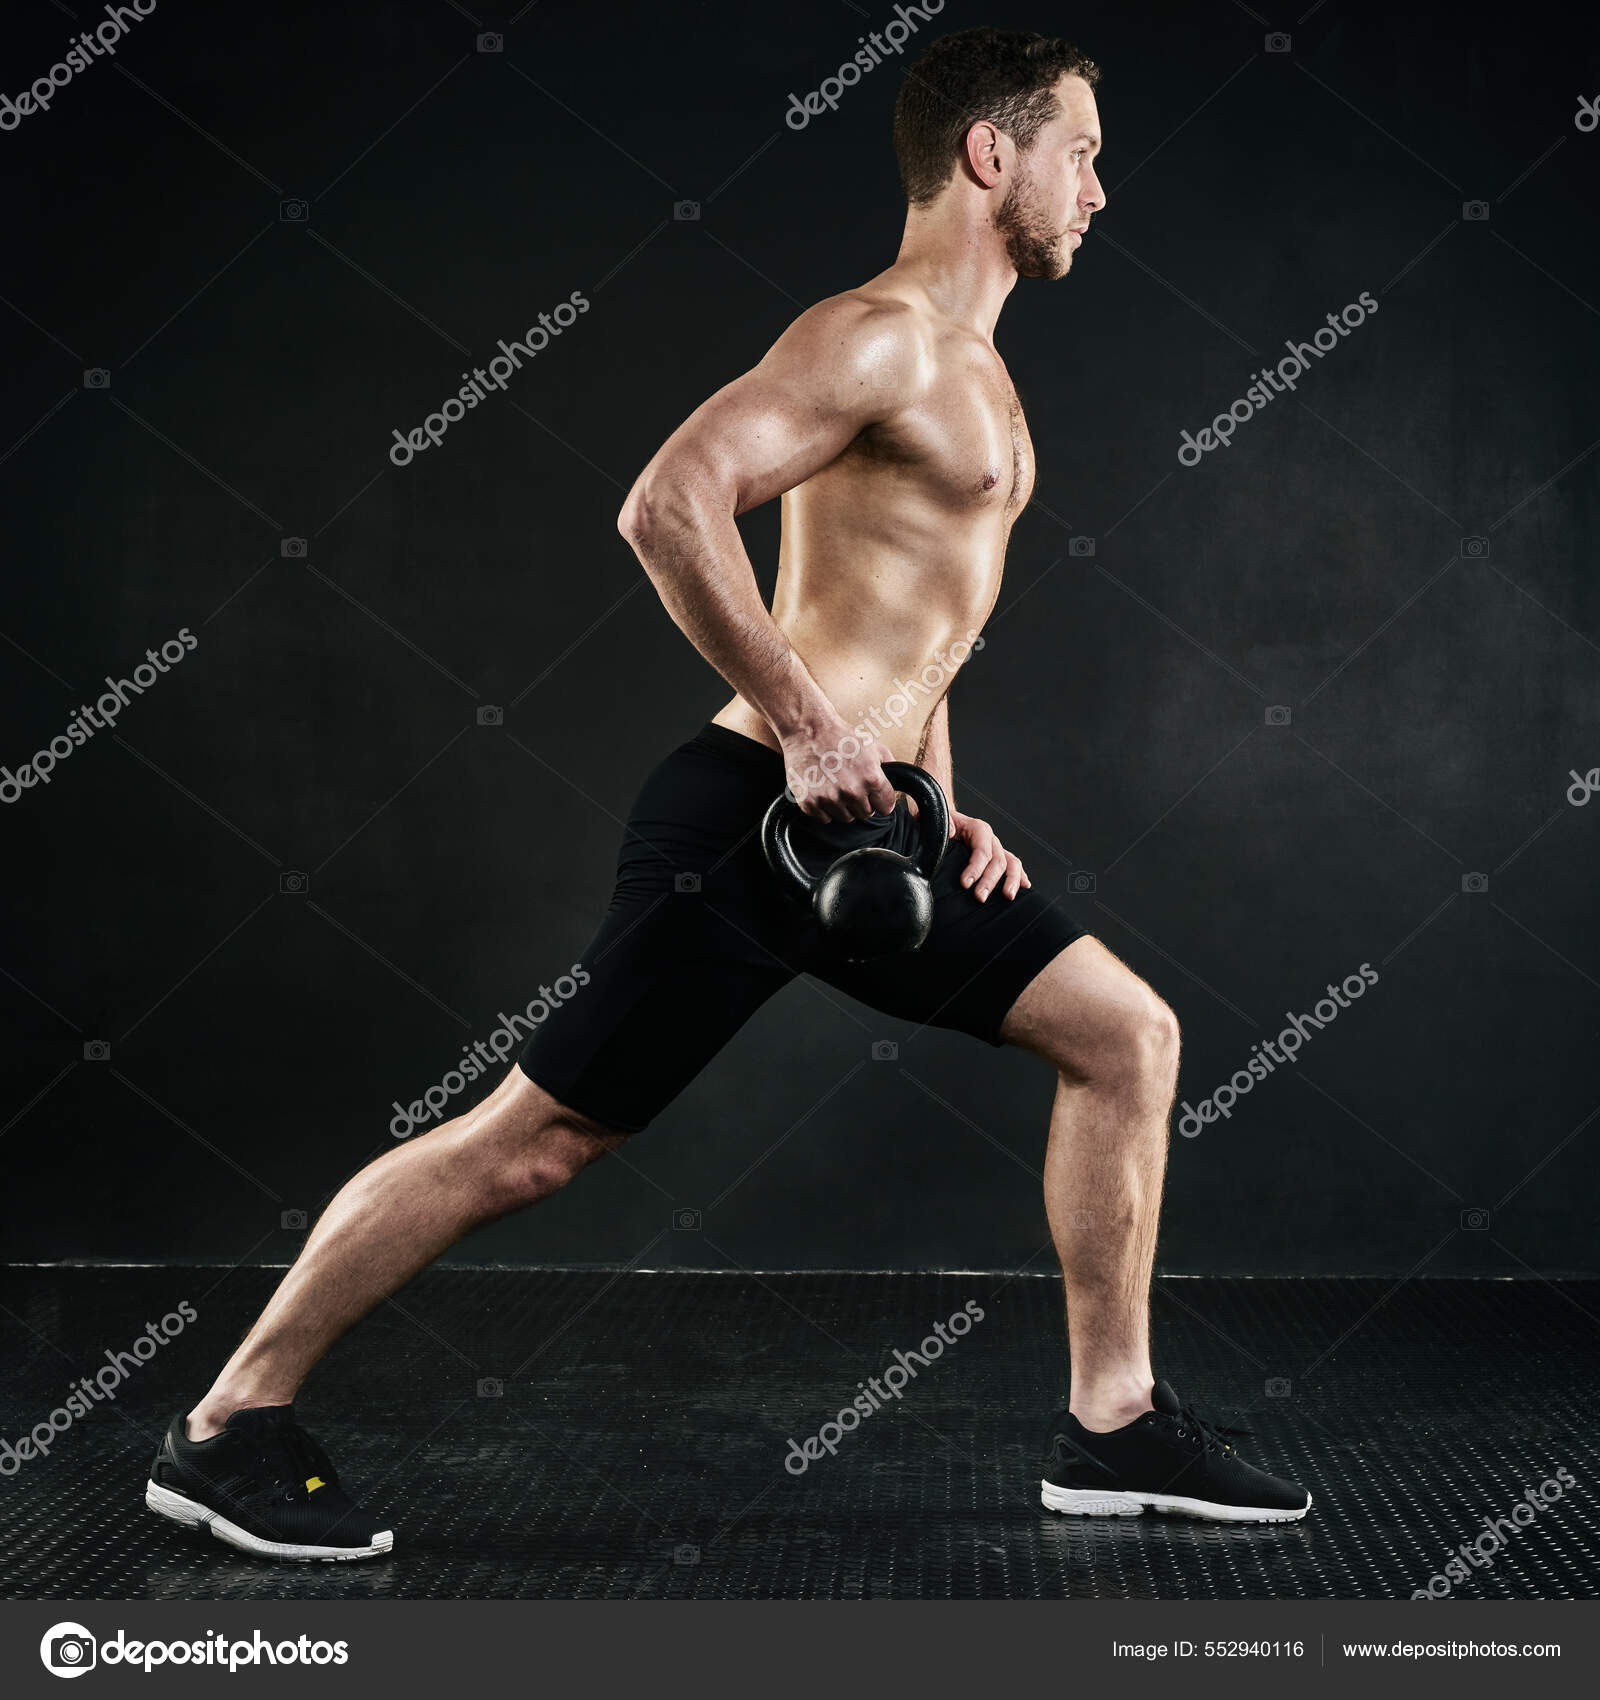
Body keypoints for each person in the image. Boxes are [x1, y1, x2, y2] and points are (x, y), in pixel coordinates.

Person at [146, 27, 1309, 1562]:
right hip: (753, 821)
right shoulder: (876, 338)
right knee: (534, 1145)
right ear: (989, 154)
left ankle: (1112, 1424)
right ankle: (227, 1424)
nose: (1101, 184)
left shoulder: (982, 373)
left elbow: (921, 632)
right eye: (1079, 149)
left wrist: (940, 801)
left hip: (878, 837)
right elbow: (667, 499)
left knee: (1126, 1038)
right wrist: (815, 730)